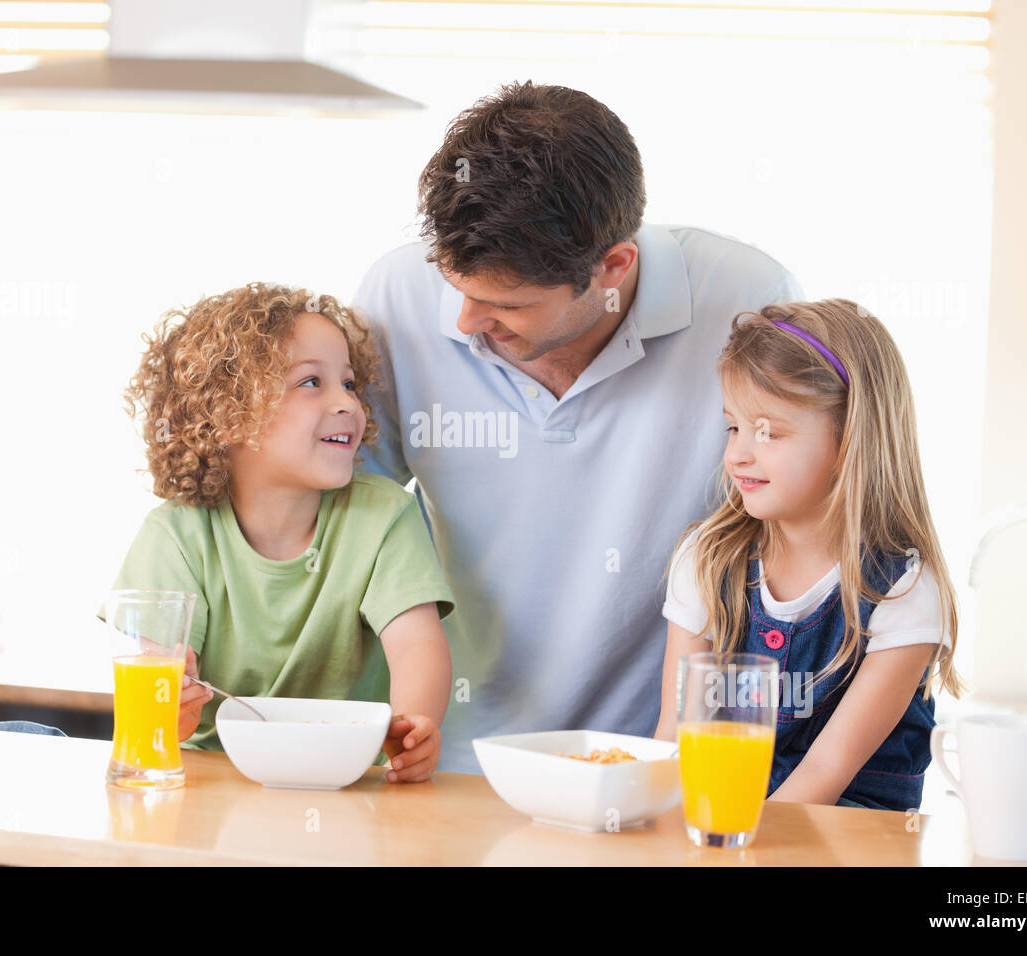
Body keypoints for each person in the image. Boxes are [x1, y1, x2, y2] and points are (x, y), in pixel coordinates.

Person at [351, 80, 803, 773]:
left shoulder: (747, 303)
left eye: (506, 303)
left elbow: (800, 536)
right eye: (456, 287)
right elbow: (344, 523)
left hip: (654, 766)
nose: (465, 322)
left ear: (613, 267)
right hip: (446, 763)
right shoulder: (396, 297)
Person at [108, 282, 454, 780]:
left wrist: (415, 724)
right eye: (312, 382)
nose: (347, 404)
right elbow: (152, 684)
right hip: (215, 778)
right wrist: (171, 714)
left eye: (350, 384)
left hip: (349, 781)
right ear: (227, 415)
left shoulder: (384, 517)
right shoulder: (176, 535)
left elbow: (417, 645)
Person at [654, 299, 965, 812]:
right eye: (733, 426)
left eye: (768, 432)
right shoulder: (706, 560)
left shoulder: (905, 590)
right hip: (732, 833)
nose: (736, 454)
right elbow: (676, 736)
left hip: (850, 839)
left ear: (849, 441)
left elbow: (826, 771)